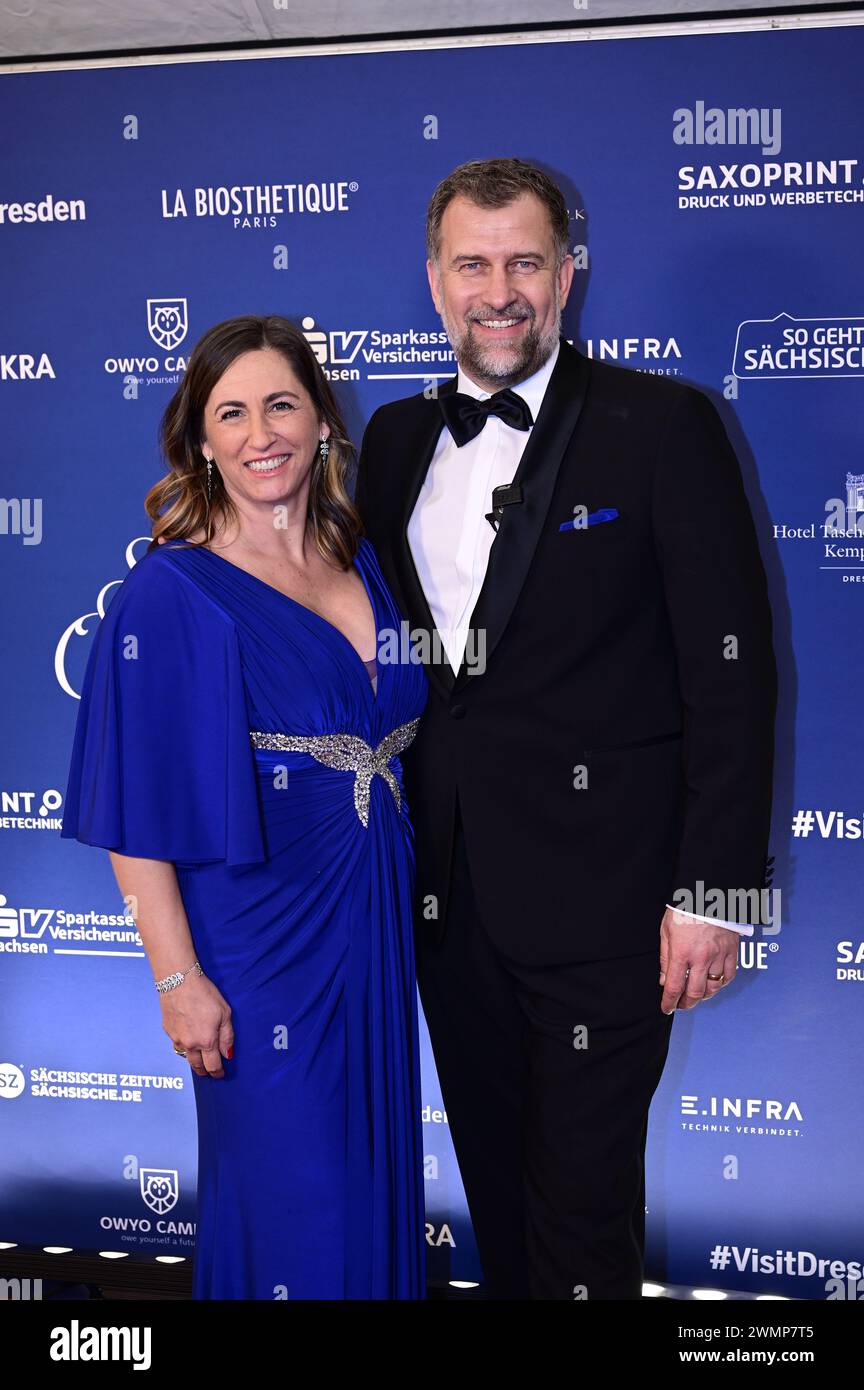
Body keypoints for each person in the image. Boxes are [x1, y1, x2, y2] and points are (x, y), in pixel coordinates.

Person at [355, 158, 777, 1300]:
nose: (500, 290)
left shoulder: (665, 424)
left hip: (614, 904)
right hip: (445, 899)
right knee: (497, 1194)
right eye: (473, 263)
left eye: (525, 261)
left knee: (584, 1212)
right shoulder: (393, 440)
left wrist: (720, 897)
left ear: (568, 275)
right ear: (434, 281)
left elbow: (734, 674)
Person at [61, 315, 428, 1299]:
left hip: (373, 918)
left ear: (320, 421)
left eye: (281, 404)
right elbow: (132, 818)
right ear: (201, 440)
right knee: (293, 1194)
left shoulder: (360, 558)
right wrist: (178, 978)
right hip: (258, 944)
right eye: (232, 412)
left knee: (367, 1181)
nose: (260, 431)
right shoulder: (173, 590)